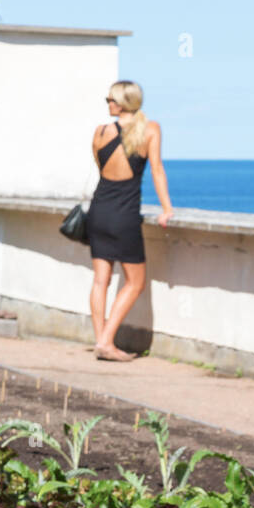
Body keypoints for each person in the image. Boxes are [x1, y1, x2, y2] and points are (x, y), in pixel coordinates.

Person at [86, 80, 174, 362]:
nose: (108, 103)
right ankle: (106, 341)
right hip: (124, 214)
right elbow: (157, 170)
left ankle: (102, 340)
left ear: (123, 103)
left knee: (101, 280)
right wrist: (166, 208)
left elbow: (102, 170)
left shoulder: (100, 133)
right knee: (135, 282)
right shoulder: (151, 130)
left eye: (110, 99)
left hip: (98, 210)